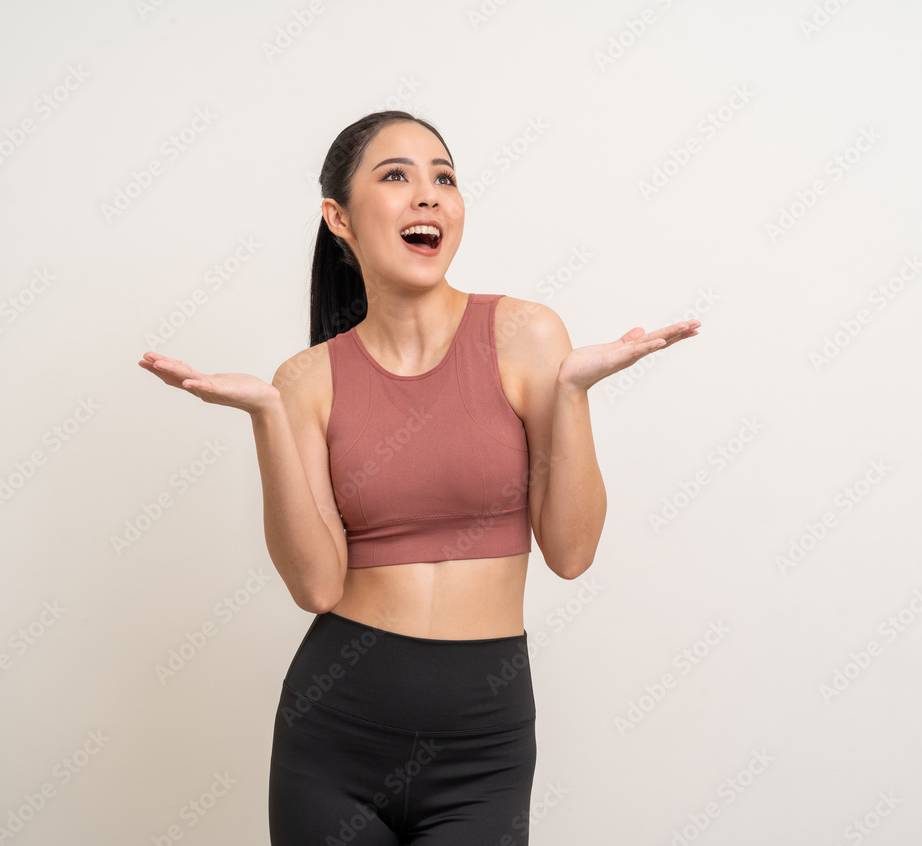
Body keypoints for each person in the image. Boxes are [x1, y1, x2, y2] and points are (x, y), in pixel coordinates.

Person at [139, 110, 699, 844]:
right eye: (396, 175)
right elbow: (315, 587)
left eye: (444, 178)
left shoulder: (526, 335)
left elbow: (571, 554)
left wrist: (571, 395)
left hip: (483, 748)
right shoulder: (306, 380)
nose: (428, 195)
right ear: (338, 217)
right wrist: (268, 419)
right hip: (333, 737)